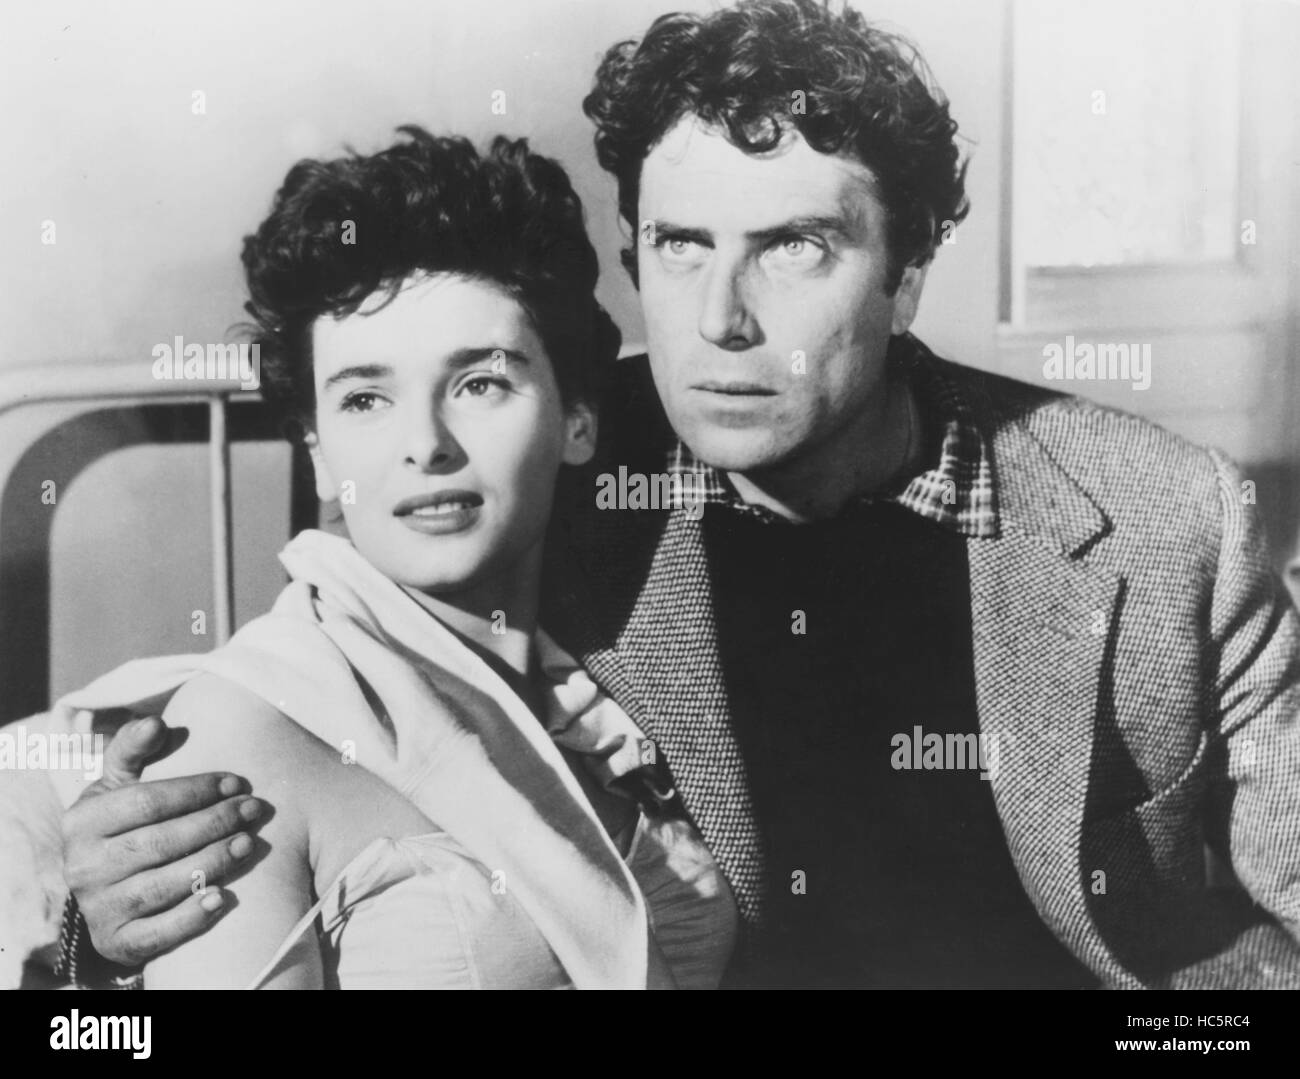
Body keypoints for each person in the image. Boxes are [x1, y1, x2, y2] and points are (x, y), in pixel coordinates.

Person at [55, 0, 1300, 989]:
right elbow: (310, 686)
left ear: (908, 273)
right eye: (680, 244)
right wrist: (94, 947)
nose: (719, 323)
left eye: (794, 246)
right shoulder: (539, 467)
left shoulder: (1162, 515)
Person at [24, 128, 737, 989]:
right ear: (318, 452)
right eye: (366, 398)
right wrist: (86, 964)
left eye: (480, 383)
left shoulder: (636, 664)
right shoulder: (238, 746)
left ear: (579, 417)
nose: (426, 445)